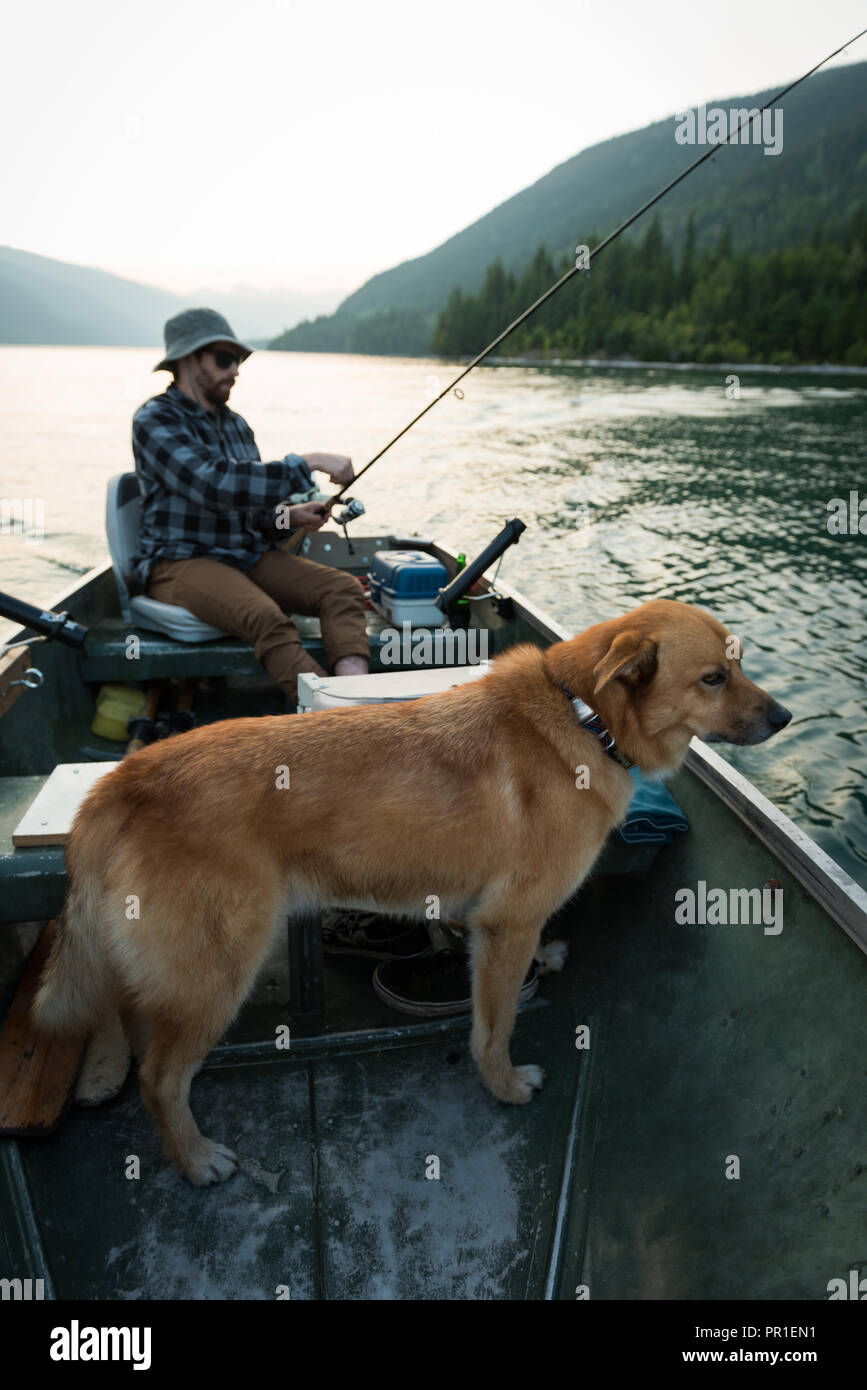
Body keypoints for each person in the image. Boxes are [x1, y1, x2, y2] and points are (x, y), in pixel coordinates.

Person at [129, 307, 370, 695]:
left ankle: (359, 698)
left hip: (244, 556)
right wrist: (306, 462)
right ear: (188, 360)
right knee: (266, 617)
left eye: (238, 360)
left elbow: (255, 517)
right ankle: (336, 722)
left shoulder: (238, 426)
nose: (235, 370)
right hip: (180, 562)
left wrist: (289, 517)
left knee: (343, 589)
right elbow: (214, 484)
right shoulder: (155, 420)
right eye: (224, 359)